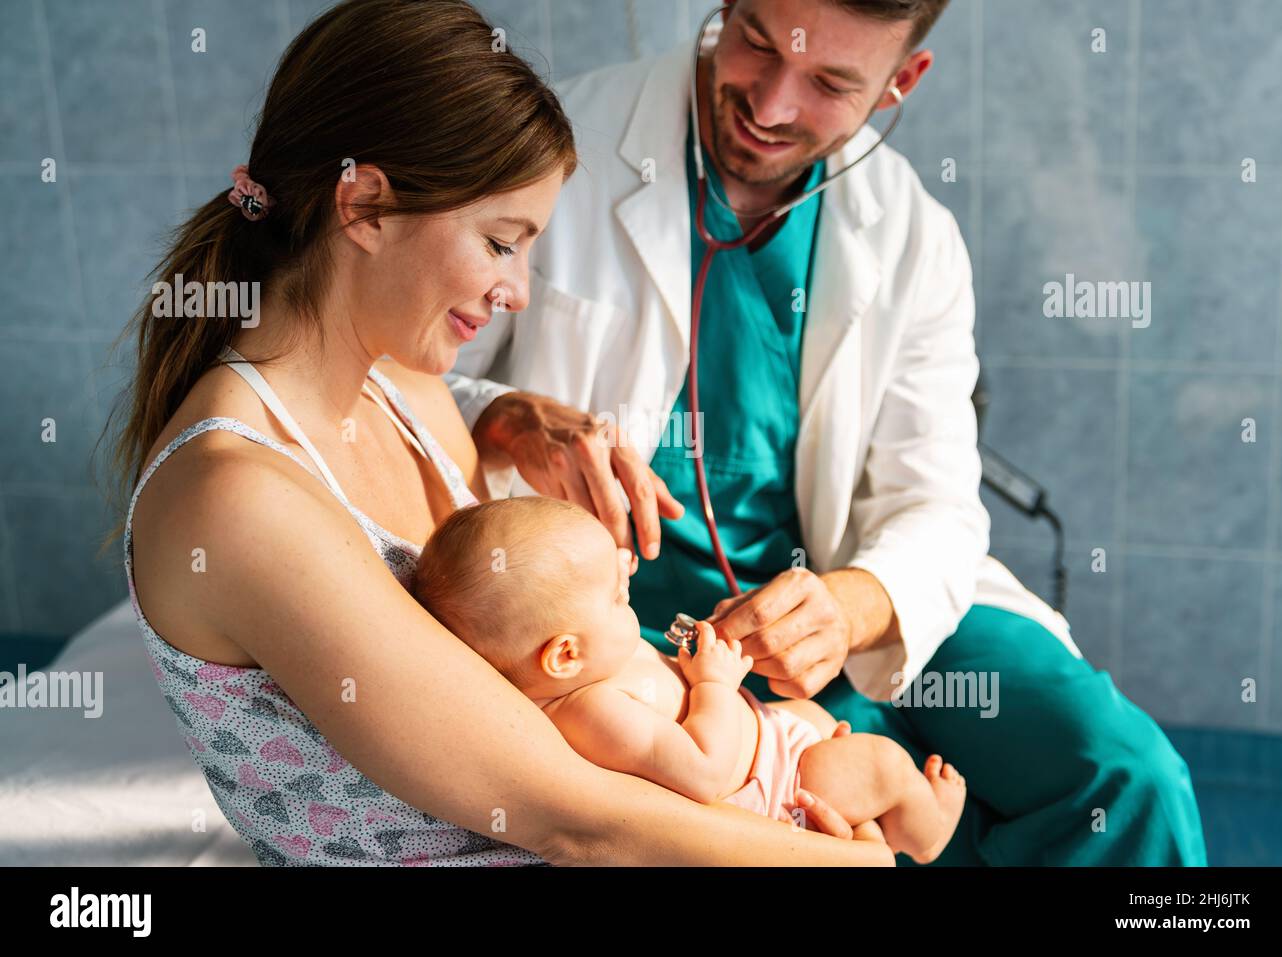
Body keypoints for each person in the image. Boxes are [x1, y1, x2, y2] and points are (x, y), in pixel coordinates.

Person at [101, 0, 894, 866]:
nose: (516, 290)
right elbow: (574, 822)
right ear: (364, 204)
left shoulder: (407, 385)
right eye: (499, 243)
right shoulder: (234, 498)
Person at [445, 0, 1207, 865]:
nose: (769, 105)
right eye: (756, 45)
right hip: (619, 618)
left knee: (1125, 772)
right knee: (833, 787)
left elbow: (937, 505)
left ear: (899, 84)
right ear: (724, 9)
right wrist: (505, 416)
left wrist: (849, 608)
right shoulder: (555, 147)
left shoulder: (918, 240)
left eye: (830, 83)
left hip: (861, 587)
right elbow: (401, 373)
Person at [413, 495, 969, 862]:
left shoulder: (594, 674)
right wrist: (713, 686)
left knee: (824, 725)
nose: (630, 570)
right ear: (563, 655)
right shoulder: (591, 711)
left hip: (770, 744)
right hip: (777, 788)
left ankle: (878, 796)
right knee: (885, 765)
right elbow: (703, 773)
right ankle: (927, 832)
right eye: (616, 595)